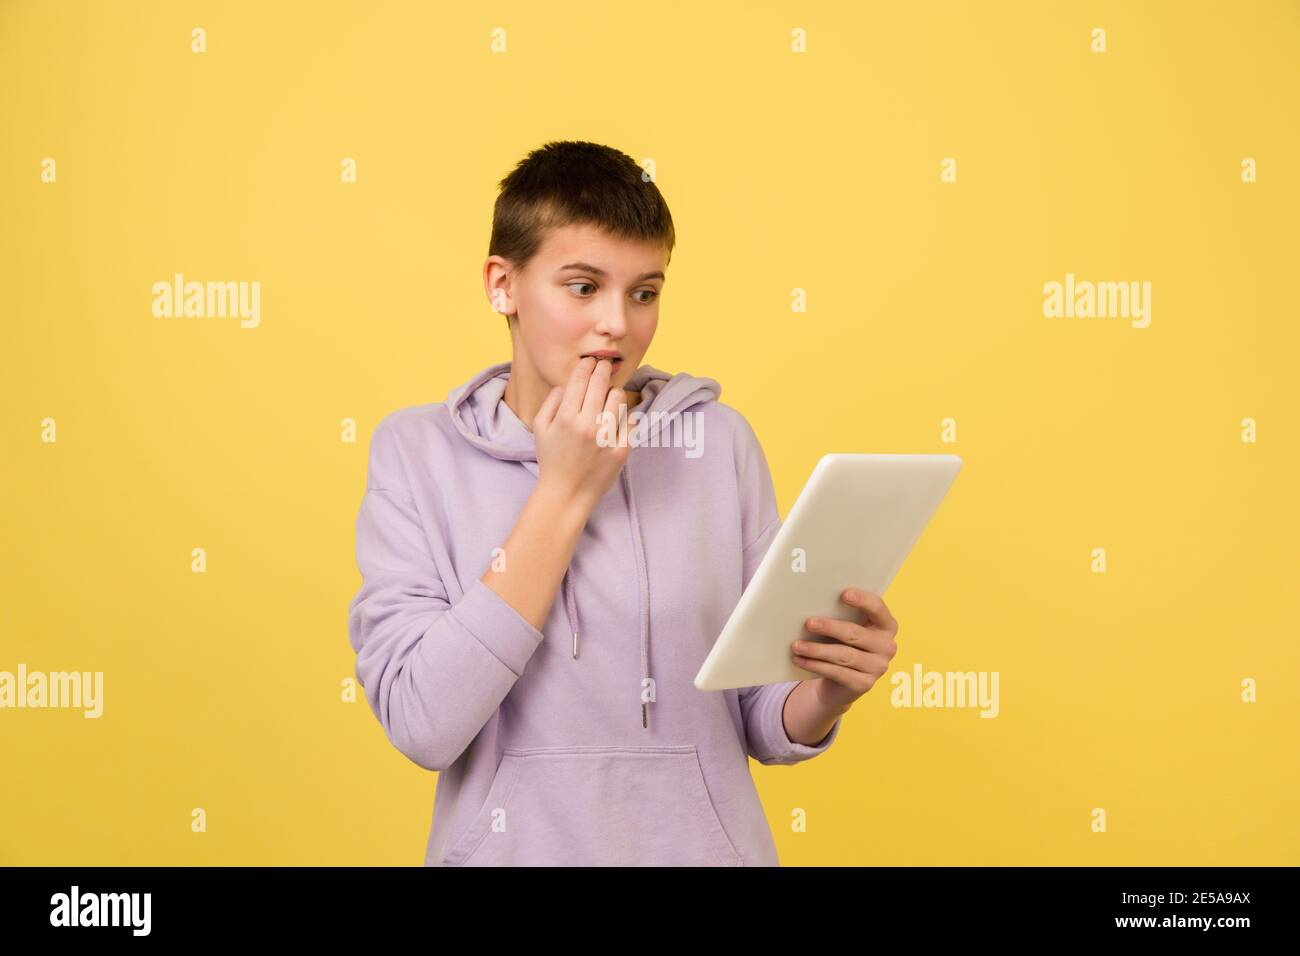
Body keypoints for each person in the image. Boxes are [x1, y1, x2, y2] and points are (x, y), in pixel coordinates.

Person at [346, 140, 900, 866]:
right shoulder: (416, 453)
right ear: (502, 285)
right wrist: (563, 491)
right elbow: (424, 723)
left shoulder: (718, 443)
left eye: (644, 291)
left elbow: (760, 716)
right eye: (583, 287)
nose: (618, 322)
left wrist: (826, 690)